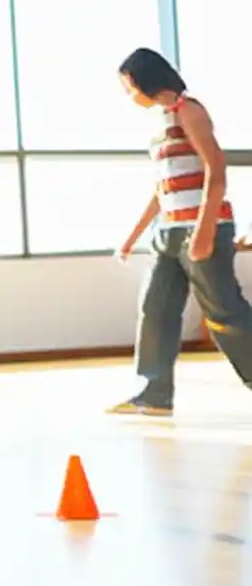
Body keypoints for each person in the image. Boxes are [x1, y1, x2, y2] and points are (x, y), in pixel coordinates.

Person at [110, 48, 252, 416]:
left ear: (145, 80)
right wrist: (132, 237)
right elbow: (162, 190)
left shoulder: (189, 111)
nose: (129, 95)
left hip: (203, 227)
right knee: (155, 308)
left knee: (224, 312)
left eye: (129, 87)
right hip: (168, 232)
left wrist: (204, 231)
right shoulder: (160, 128)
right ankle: (153, 394)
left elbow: (216, 168)